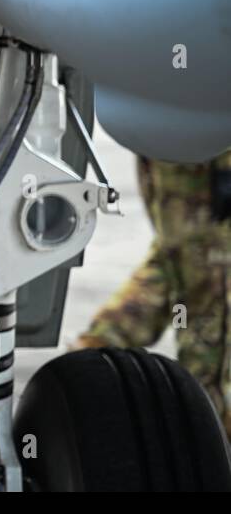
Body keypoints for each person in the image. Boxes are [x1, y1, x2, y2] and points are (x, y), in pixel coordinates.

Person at [72, 150, 231, 439]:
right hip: (201, 150)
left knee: (184, 266)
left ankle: (96, 352)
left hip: (184, 143)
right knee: (201, 278)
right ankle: (211, 427)